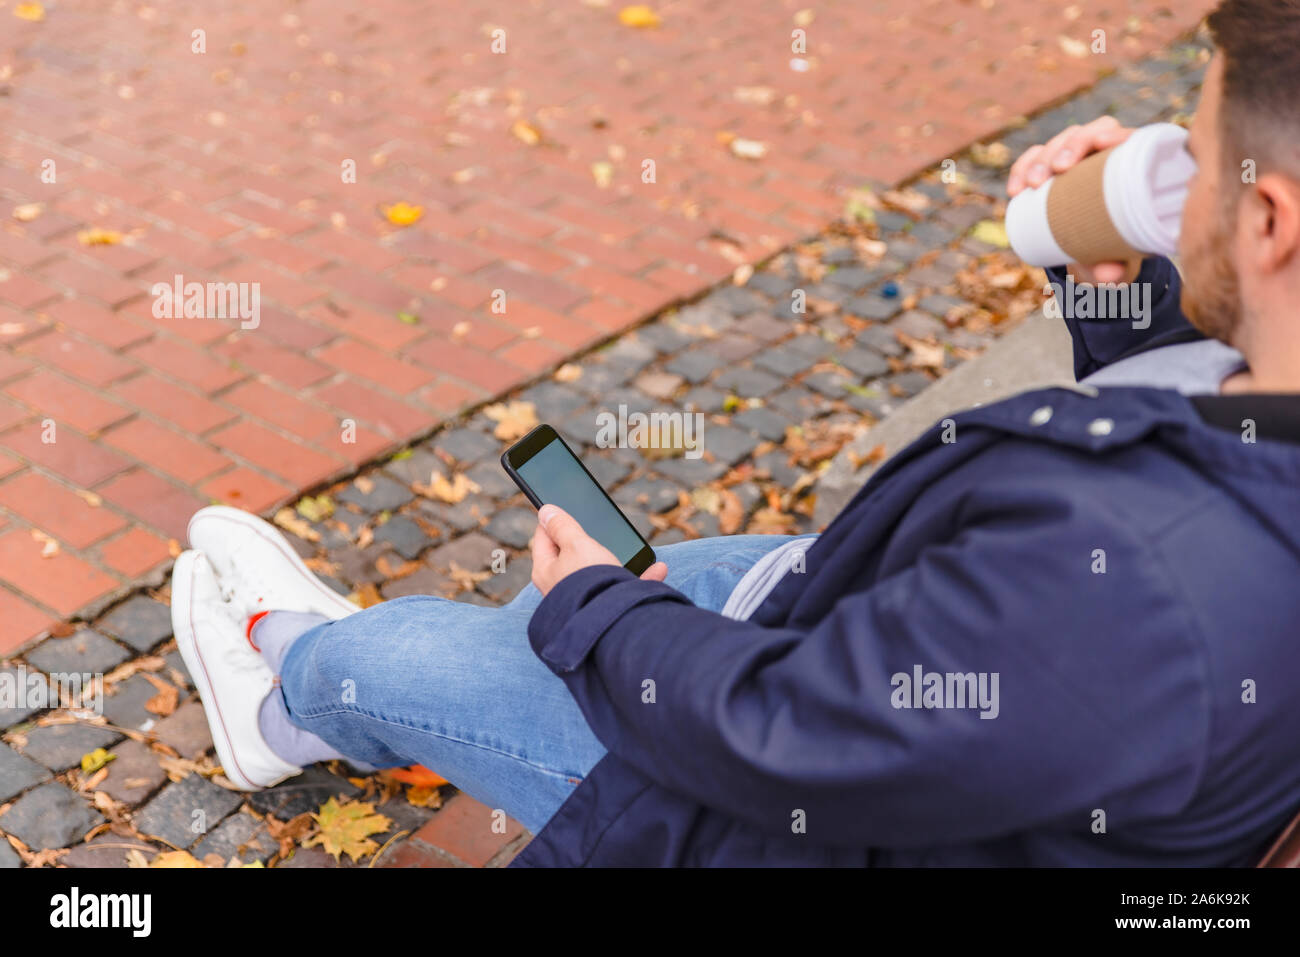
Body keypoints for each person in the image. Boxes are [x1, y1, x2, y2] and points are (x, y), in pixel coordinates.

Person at [172, 0, 1300, 866]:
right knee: (546, 617)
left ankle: (284, 684)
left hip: (756, 807)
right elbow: (1187, 408)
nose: (1174, 177)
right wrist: (1118, 292)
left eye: (1194, 156)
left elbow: (791, 738)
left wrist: (604, 615)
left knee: (409, 656)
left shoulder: (1145, 581)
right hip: (848, 613)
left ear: (1267, 221)